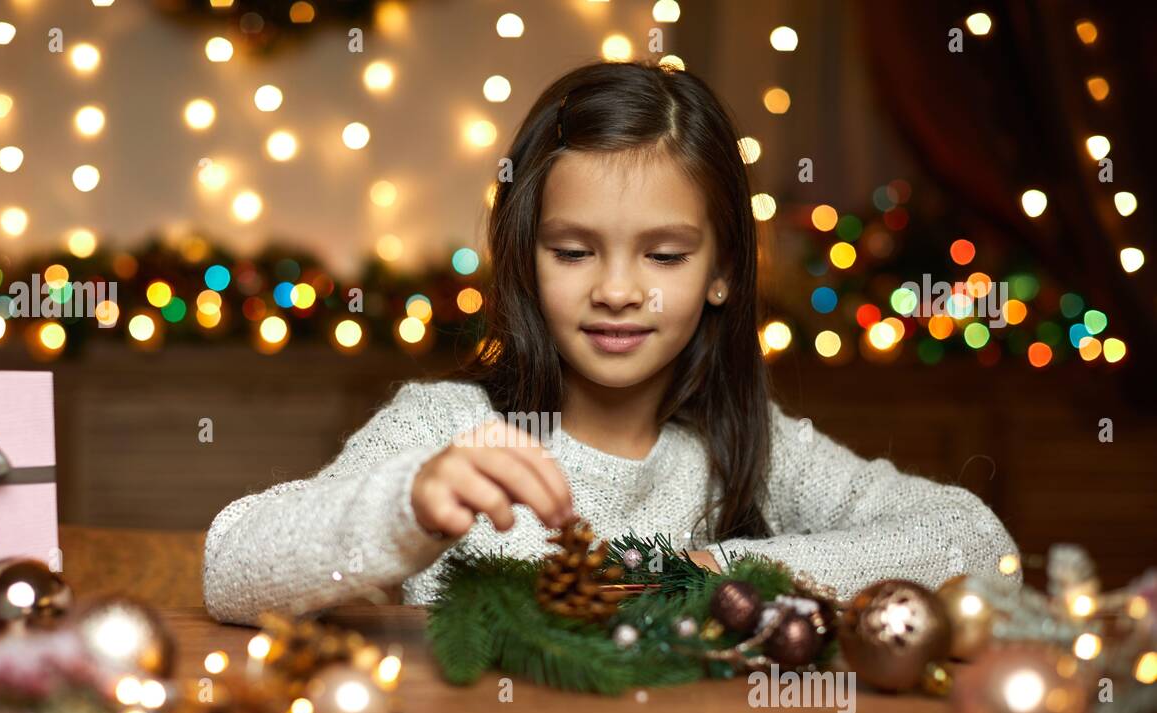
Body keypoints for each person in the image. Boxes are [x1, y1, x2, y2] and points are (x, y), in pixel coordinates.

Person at [203, 61, 1021, 627]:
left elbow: (974, 541)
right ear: (525, 256)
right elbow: (233, 566)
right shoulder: (448, 432)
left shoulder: (752, 446)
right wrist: (404, 510)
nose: (619, 289)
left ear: (723, 271)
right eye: (573, 251)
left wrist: (710, 576)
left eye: (664, 255)